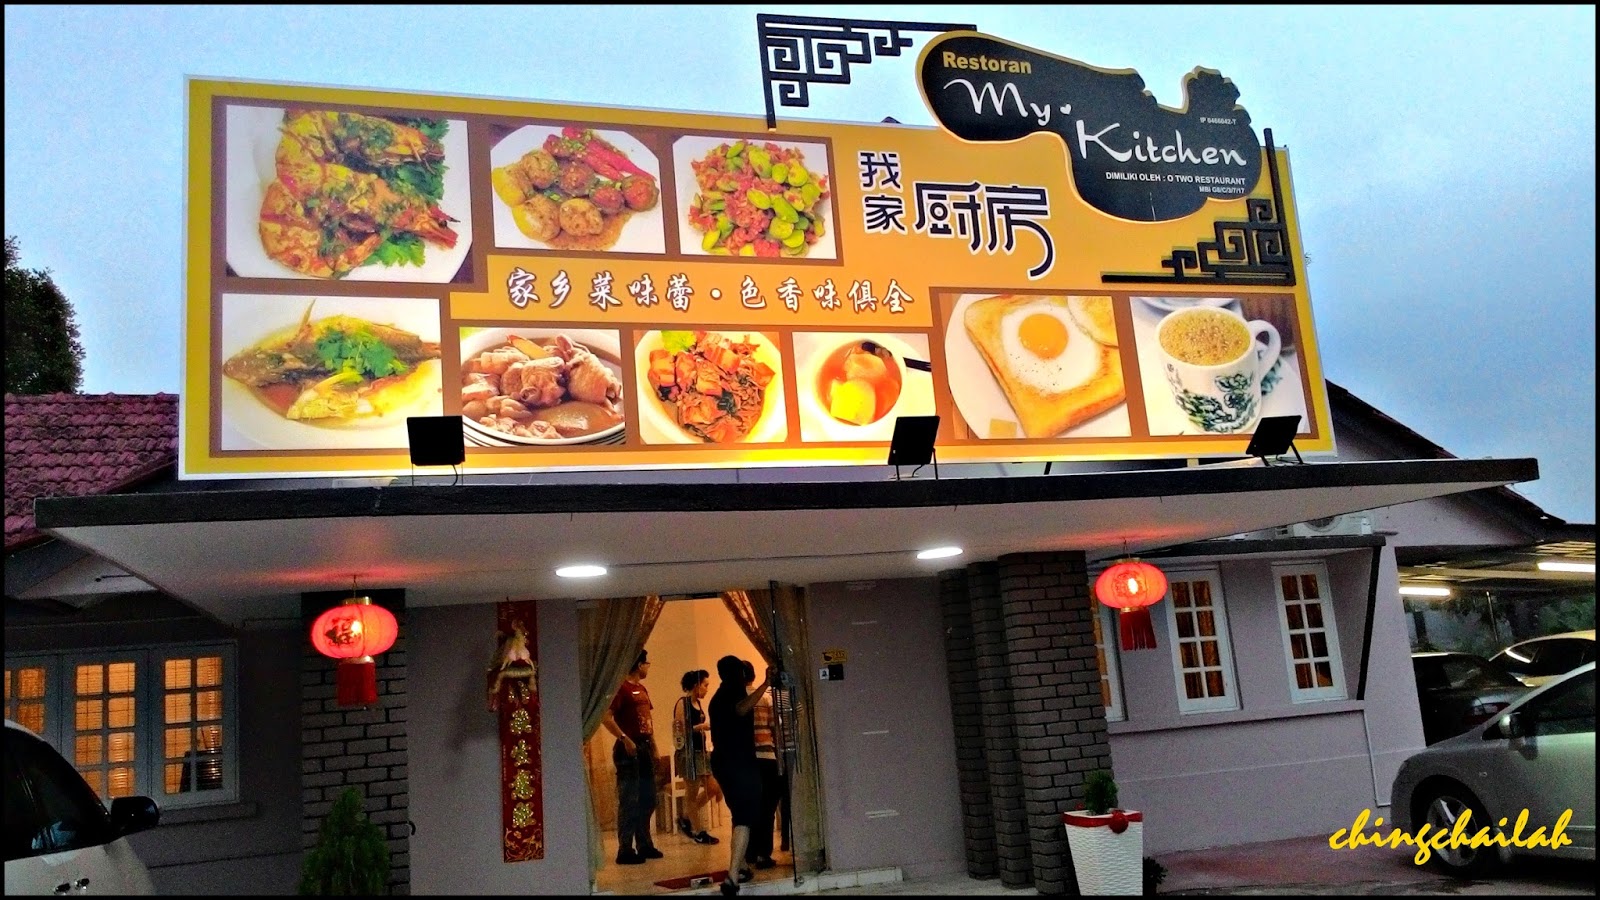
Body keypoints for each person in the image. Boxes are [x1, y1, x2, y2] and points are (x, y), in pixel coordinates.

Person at [708, 655, 773, 896]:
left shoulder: (717, 697)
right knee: (745, 816)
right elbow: (741, 709)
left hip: (723, 762)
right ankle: (732, 876)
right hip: (740, 762)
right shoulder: (733, 693)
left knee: (739, 814)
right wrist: (765, 684)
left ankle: (742, 865)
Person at [600, 650, 661, 865]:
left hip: (645, 746)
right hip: (629, 749)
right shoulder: (621, 689)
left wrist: (654, 748)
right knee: (629, 800)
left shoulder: (642, 689)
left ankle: (644, 844)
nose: (648, 667)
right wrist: (624, 738)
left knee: (648, 797)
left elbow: (648, 721)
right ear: (639, 664)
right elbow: (606, 717)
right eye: (646, 663)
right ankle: (625, 848)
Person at [672, 669, 720, 845]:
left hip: (701, 752)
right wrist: (700, 727)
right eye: (705, 685)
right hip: (688, 753)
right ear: (696, 685)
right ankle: (699, 831)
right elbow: (680, 729)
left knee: (712, 787)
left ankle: (685, 817)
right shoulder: (682, 703)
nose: (707, 689)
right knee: (692, 792)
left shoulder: (698, 704)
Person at [745, 661, 780, 870]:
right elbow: (774, 726)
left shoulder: (739, 700)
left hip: (747, 759)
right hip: (766, 756)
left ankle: (748, 851)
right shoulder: (765, 698)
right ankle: (763, 854)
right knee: (767, 808)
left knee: (749, 807)